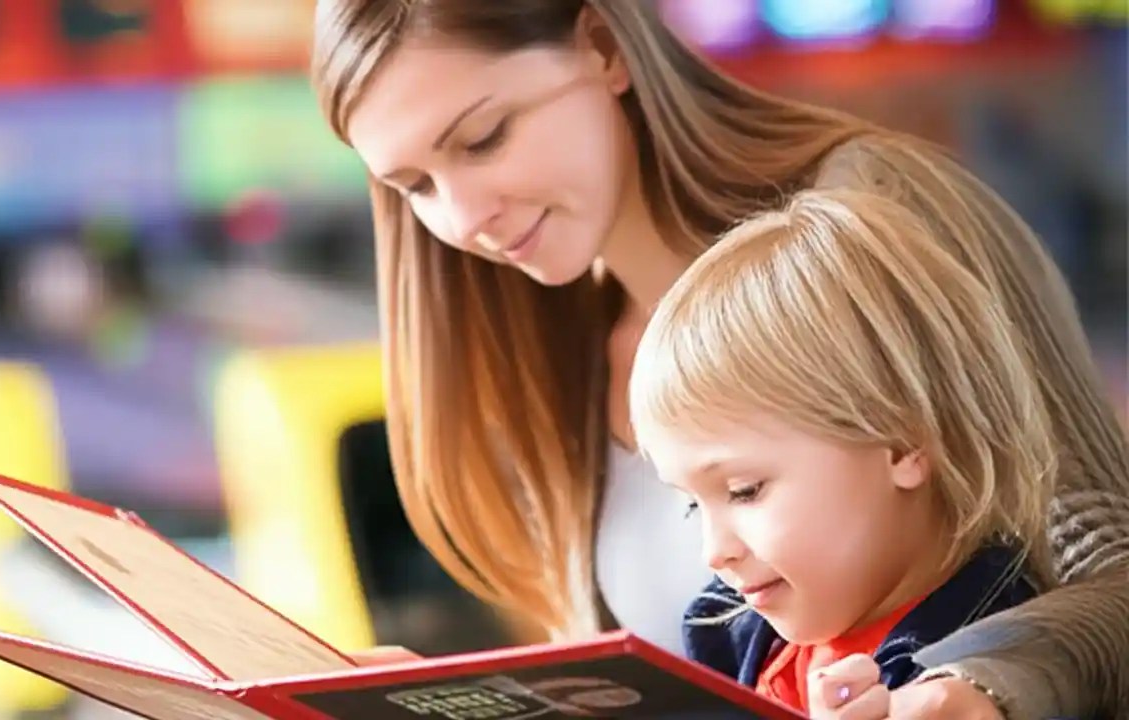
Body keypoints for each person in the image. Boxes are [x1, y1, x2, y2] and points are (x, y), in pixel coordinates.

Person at [310, 1, 1129, 717]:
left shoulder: (868, 223)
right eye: (414, 185)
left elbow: (1112, 567)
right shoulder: (551, 349)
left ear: (602, 46)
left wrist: (982, 686)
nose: (463, 217)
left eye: (484, 138)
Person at [628, 188, 1055, 718]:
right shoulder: (732, 634)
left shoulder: (1002, 662)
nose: (713, 553)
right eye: (695, 504)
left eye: (745, 490)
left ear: (901, 441)